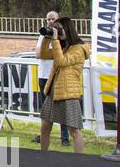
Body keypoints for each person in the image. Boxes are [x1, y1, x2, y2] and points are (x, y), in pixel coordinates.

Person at [35, 16, 89, 153]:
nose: (58, 32)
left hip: (68, 93)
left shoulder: (79, 49)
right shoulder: (63, 47)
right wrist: (47, 37)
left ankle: (79, 159)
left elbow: (61, 62)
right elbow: (43, 54)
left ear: (68, 29)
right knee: (44, 127)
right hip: (54, 91)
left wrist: (55, 40)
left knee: (74, 130)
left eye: (60, 29)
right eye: (56, 29)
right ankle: (43, 155)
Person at [36, 10, 70, 146]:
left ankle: (65, 138)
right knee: (45, 109)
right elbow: (38, 54)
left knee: (62, 108)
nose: (50, 22)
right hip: (43, 75)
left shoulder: (62, 36)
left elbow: (61, 55)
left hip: (57, 75)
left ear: (58, 20)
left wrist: (54, 42)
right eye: (48, 19)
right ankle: (44, 134)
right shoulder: (43, 35)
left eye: (53, 19)